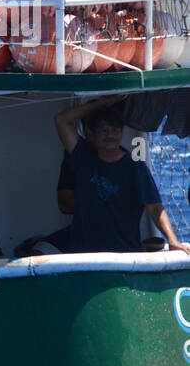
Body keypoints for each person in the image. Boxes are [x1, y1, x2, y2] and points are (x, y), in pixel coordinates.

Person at [53, 98, 189, 254]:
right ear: (90, 133)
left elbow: (155, 207)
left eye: (115, 130)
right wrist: (99, 105)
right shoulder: (83, 158)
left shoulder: (135, 167)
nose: (110, 135)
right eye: (104, 130)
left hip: (124, 253)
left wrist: (173, 240)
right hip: (84, 255)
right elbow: (61, 120)